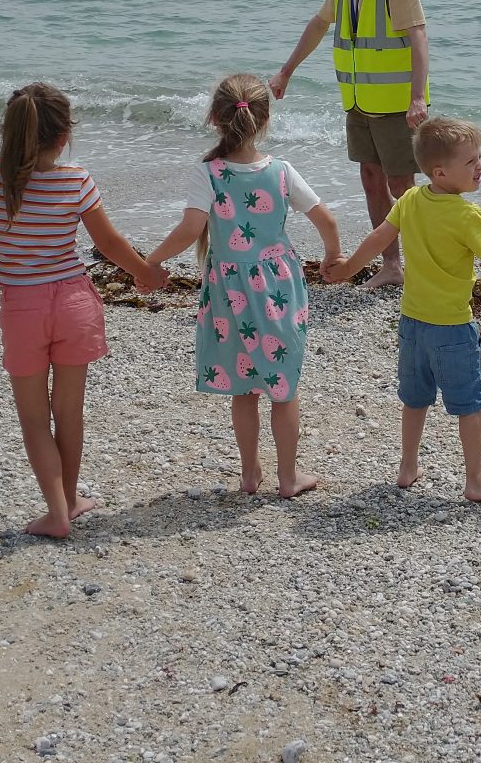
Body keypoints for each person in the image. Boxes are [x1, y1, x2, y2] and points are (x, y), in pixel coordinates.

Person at [0, 83, 164, 536]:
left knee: (33, 418)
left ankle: (57, 512)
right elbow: (108, 242)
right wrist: (145, 272)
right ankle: (69, 498)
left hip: (22, 308)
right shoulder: (76, 179)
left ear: (10, 131)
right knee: (68, 411)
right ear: (64, 136)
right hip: (74, 303)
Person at [322, 117, 481, 501]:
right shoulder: (466, 215)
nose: (480, 165)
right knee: (469, 404)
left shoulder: (411, 200)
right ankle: (475, 481)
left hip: (412, 324)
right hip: (452, 327)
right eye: (471, 161)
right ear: (440, 172)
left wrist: (348, 268)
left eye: (479, 157)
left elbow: (379, 238)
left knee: (415, 399)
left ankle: (408, 466)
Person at [146, 74, 341, 498]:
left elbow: (190, 229)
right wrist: (333, 258)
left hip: (228, 290)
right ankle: (288, 478)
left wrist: (152, 261)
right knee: (283, 388)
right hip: (278, 288)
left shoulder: (209, 172)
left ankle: (250, 473)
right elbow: (326, 220)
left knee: (244, 385)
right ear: (265, 120)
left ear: (214, 118)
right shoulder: (281, 171)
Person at [270, 0, 430, 288]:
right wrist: (287, 70)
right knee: (372, 181)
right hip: (358, 101)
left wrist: (417, 97)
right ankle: (391, 266)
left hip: (395, 104)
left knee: (402, 187)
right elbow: (320, 23)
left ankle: (426, 268)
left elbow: (418, 35)